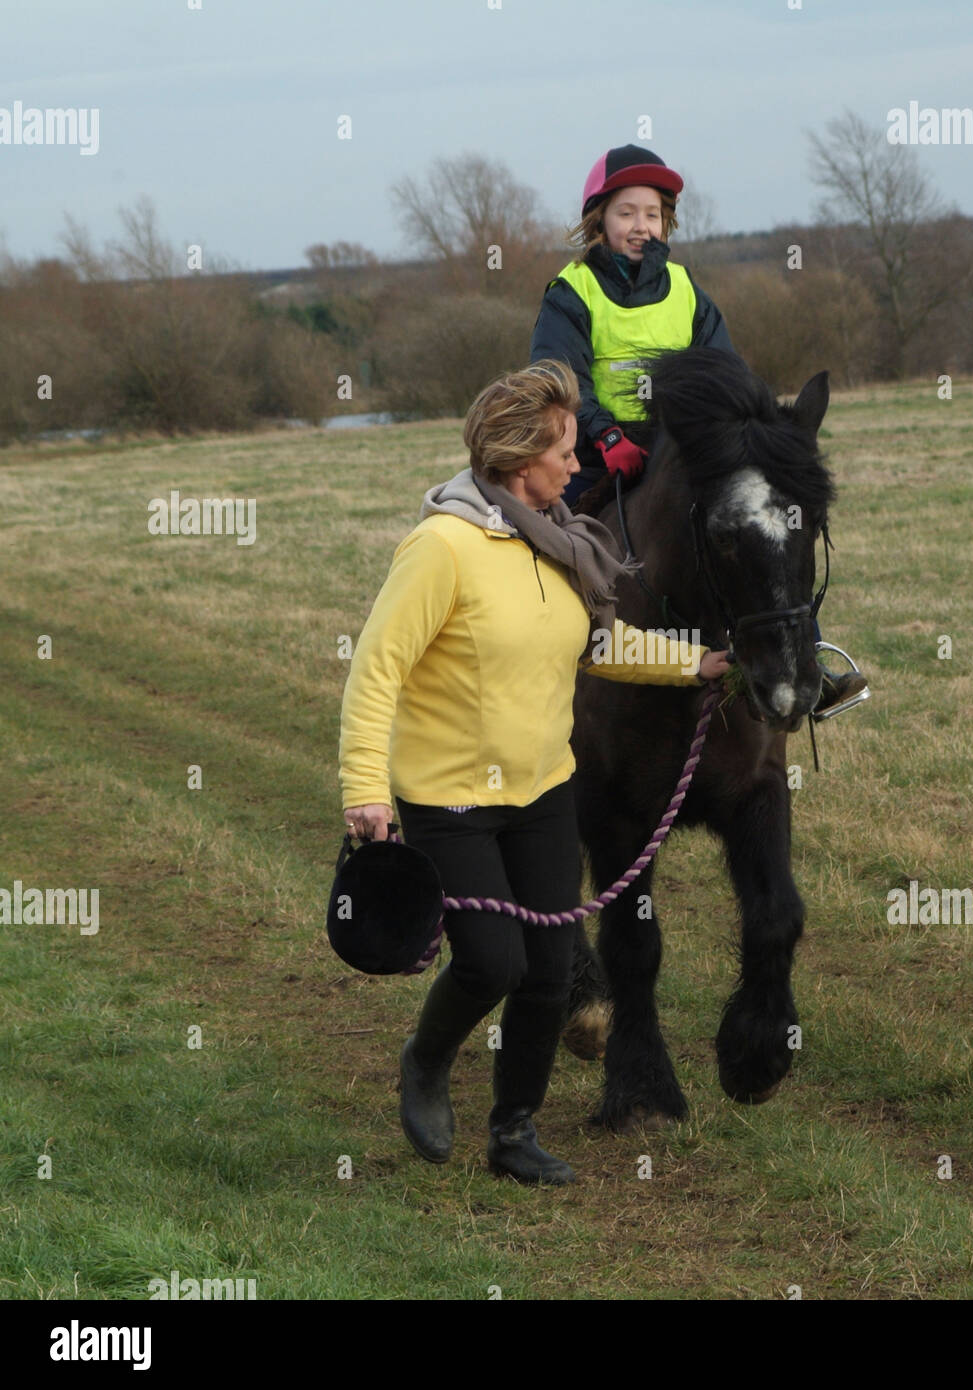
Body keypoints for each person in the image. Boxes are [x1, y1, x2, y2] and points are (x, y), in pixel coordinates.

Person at [338, 359, 730, 1186]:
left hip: (543, 787)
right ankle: (425, 1057)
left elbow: (599, 646)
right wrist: (365, 790)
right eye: (564, 450)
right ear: (522, 463)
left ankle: (512, 1132)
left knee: (550, 974)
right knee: (492, 963)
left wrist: (698, 666)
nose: (579, 463)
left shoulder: (558, 544)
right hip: (449, 795)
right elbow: (376, 670)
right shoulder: (442, 547)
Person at [530, 142, 869, 719]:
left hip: (681, 451)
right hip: (591, 449)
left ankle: (805, 653)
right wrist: (607, 436)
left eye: (653, 214)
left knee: (766, 527)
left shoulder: (688, 292)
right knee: (539, 540)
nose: (641, 226)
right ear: (598, 221)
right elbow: (558, 377)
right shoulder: (570, 292)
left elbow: (727, 378)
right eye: (626, 213)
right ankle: (535, 661)